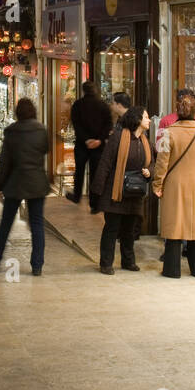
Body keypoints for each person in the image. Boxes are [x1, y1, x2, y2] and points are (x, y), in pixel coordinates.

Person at [152, 91, 195, 278]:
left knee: (174, 225)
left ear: (177, 112)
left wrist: (157, 184)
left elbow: (161, 163)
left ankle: (172, 270)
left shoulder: (166, 133)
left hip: (174, 185)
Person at [0, 98, 49, 276]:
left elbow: (5, 162)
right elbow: (45, 150)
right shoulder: (41, 130)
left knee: (6, 223)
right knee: (37, 224)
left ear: (17, 113)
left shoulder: (12, 133)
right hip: (37, 182)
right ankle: (37, 265)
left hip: (16, 182)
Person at [92, 105, 153, 275]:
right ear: (138, 120)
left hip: (135, 193)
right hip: (116, 191)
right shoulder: (118, 137)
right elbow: (106, 162)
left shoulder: (145, 141)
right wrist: (98, 190)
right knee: (112, 228)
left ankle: (128, 261)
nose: (149, 120)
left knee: (129, 229)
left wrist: (150, 172)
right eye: (146, 117)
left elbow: (152, 163)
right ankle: (106, 263)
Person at [66, 80, 112, 213]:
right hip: (99, 145)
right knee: (95, 174)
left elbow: (76, 124)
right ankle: (94, 203)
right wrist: (100, 140)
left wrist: (86, 140)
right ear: (96, 90)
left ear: (83, 91)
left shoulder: (78, 105)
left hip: (82, 144)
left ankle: (77, 195)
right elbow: (108, 124)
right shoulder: (103, 105)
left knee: (79, 171)